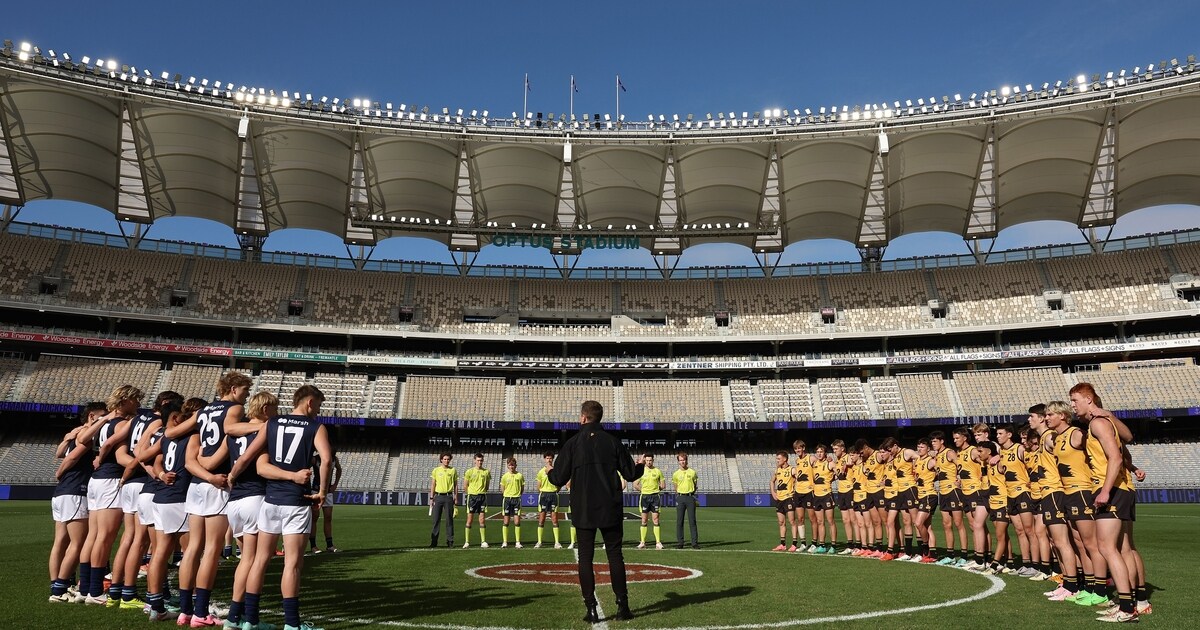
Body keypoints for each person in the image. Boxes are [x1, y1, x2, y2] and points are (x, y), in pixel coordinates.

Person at [230, 384, 332, 630]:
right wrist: (322, 492)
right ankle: (292, 624)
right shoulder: (315, 427)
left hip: (270, 501)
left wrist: (232, 476)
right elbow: (326, 460)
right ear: (309, 402)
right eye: (317, 406)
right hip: (295, 503)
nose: (318, 411)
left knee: (260, 560)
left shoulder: (272, 423)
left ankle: (250, 622)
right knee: (293, 564)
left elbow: (247, 458)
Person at [545, 400, 642, 623]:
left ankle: (591, 609)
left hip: (584, 509)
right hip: (610, 507)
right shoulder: (613, 441)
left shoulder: (573, 443)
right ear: (599, 418)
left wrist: (550, 471)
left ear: (583, 417)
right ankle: (622, 607)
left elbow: (558, 478)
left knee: (585, 559)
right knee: (615, 556)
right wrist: (641, 466)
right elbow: (629, 474)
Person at [170, 371, 252, 627]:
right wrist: (212, 467)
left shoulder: (202, 411)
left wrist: (200, 464)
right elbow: (229, 435)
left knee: (193, 548)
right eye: (245, 390)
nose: (247, 395)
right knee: (212, 551)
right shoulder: (235, 409)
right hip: (216, 483)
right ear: (234, 388)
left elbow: (171, 434)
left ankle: (185, 611)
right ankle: (201, 612)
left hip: (196, 484)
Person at [1071, 382, 1139, 623]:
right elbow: (1129, 437)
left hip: (1111, 489)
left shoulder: (1098, 423)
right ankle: (1128, 603)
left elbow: (1116, 457)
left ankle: (1127, 608)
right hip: (1119, 489)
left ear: (1089, 399)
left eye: (1075, 400)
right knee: (1119, 549)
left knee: (1108, 548)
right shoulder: (1103, 421)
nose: (1073, 405)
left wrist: (1105, 491)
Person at [75, 384, 144, 606]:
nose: (138, 404)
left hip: (96, 481)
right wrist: (143, 465)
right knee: (104, 537)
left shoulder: (106, 422)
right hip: (110, 479)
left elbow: (83, 440)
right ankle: (95, 590)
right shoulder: (122, 423)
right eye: (135, 400)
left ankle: (85, 588)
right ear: (124, 400)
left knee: (94, 536)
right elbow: (119, 454)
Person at [219, 390, 275, 629]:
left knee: (246, 560)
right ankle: (246, 618)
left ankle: (237, 615)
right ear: (265, 409)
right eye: (274, 408)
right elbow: (262, 467)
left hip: (235, 501)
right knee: (256, 560)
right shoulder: (265, 431)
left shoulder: (234, 432)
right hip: (255, 497)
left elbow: (215, 458)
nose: (276, 413)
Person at [47, 402, 105, 603]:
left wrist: (68, 438)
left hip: (62, 492)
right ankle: (60, 589)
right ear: (91, 416)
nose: (103, 419)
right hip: (75, 491)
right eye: (101, 416)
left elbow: (60, 451)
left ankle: (56, 586)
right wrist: (60, 472)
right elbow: (71, 457)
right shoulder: (87, 436)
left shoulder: (76, 433)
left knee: (60, 542)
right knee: (78, 543)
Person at [309, 452, 342, 554]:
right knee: (314, 517)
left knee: (328, 517)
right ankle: (313, 546)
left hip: (328, 492)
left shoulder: (334, 459)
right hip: (316, 491)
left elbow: (339, 470)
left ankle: (329, 545)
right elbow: (306, 468)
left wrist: (335, 484)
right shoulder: (315, 459)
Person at [634, 453, 665, 550]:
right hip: (644, 497)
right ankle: (642, 542)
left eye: (650, 460)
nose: (648, 462)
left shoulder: (658, 471)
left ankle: (658, 542)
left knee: (655, 520)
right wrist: (643, 490)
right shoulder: (641, 471)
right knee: (644, 520)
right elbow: (635, 484)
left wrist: (655, 490)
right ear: (645, 461)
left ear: (653, 460)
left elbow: (663, 485)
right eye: (647, 460)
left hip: (655, 497)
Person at [462, 453, 491, 548]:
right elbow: (465, 485)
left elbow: (487, 486)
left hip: (482, 497)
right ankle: (467, 541)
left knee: (482, 520)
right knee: (469, 519)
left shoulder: (486, 472)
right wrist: (470, 493)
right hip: (472, 498)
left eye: (481, 460)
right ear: (474, 461)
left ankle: (483, 541)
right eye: (478, 460)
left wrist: (481, 492)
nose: (480, 462)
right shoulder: (469, 472)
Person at [428, 453, 457, 548]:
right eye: (444, 459)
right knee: (436, 520)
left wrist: (456, 496)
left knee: (449, 520)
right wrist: (431, 498)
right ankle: (434, 541)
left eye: (448, 459)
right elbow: (433, 484)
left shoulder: (453, 470)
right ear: (441, 460)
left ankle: (450, 541)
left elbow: (455, 485)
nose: (446, 461)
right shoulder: (436, 470)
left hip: (448, 497)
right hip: (438, 496)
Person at [671, 452, 699, 549]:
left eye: (684, 460)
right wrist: (680, 495)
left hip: (690, 497)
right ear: (678, 462)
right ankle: (680, 542)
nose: (682, 462)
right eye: (680, 460)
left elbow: (695, 485)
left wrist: (690, 493)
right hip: (680, 497)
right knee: (680, 521)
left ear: (686, 460)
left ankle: (694, 543)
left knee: (692, 521)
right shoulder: (675, 474)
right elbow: (675, 487)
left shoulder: (692, 472)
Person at [535, 452, 562, 549]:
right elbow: (538, 486)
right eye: (547, 458)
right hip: (544, 495)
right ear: (544, 459)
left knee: (554, 519)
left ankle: (557, 542)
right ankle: (539, 542)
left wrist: (554, 491)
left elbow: (559, 483)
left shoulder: (556, 470)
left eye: (550, 458)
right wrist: (544, 491)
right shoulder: (541, 471)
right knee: (541, 519)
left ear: (553, 459)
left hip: (554, 495)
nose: (549, 460)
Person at [770, 450, 796, 551]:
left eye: (778, 459)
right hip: (779, 499)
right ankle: (782, 544)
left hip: (789, 498)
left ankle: (794, 544)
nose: (777, 461)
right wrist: (773, 492)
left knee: (792, 521)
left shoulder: (792, 470)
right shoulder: (777, 470)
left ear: (785, 459)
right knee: (781, 522)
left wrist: (795, 489)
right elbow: (772, 481)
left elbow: (799, 478)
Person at [499, 457, 524, 548]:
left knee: (517, 521)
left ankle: (517, 542)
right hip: (507, 500)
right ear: (507, 466)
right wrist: (507, 494)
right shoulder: (504, 476)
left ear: (515, 465)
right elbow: (502, 489)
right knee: (506, 521)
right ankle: (505, 542)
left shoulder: (520, 476)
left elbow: (522, 488)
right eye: (510, 465)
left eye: (513, 465)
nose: (511, 467)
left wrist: (517, 495)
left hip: (516, 499)